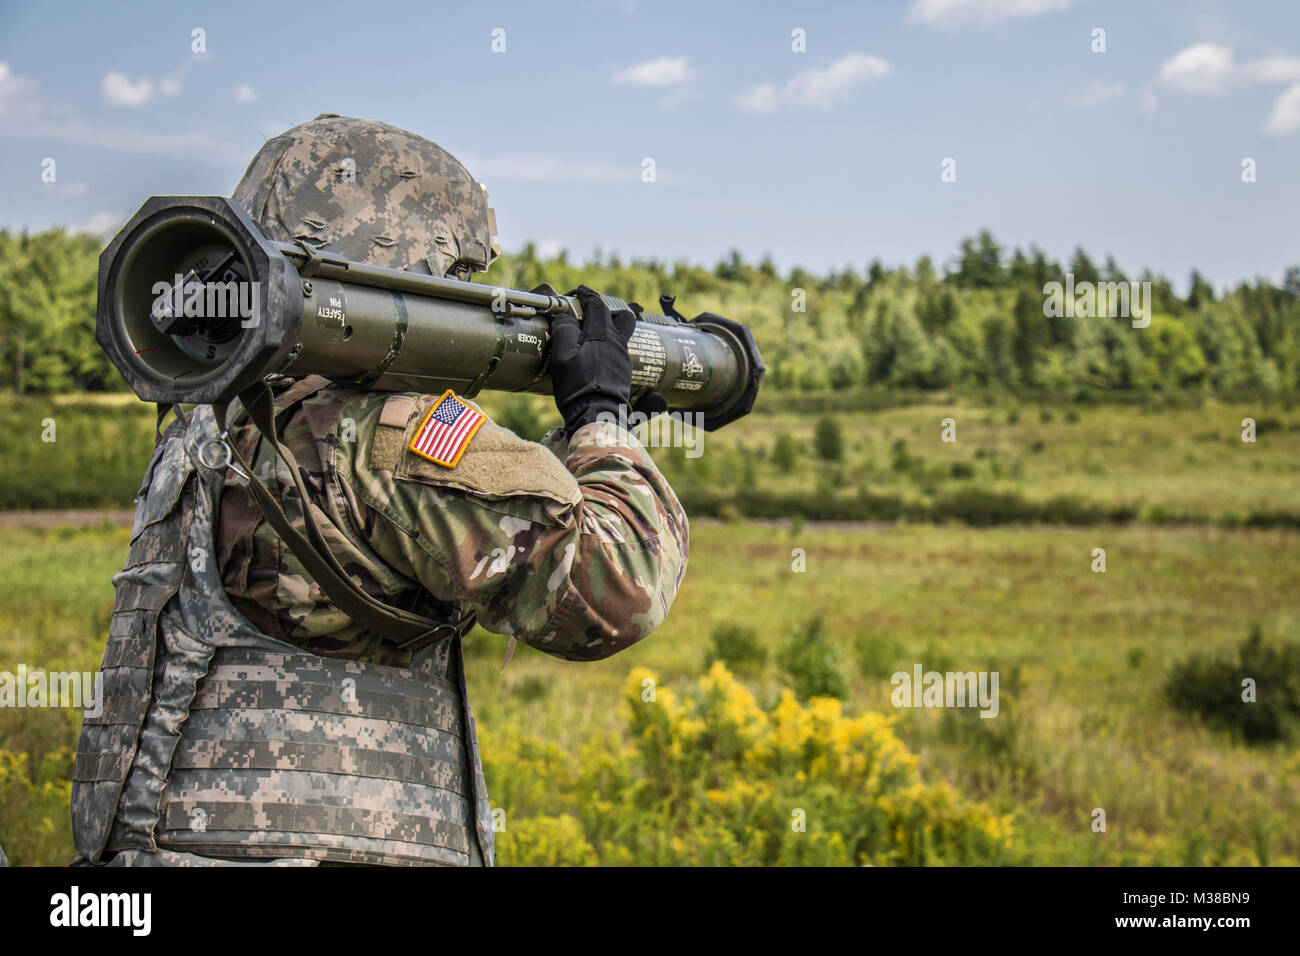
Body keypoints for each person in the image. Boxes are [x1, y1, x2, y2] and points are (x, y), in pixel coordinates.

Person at [70, 115, 688, 867]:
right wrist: (600, 419)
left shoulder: (204, 431)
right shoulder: (387, 436)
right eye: (458, 278)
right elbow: (616, 585)